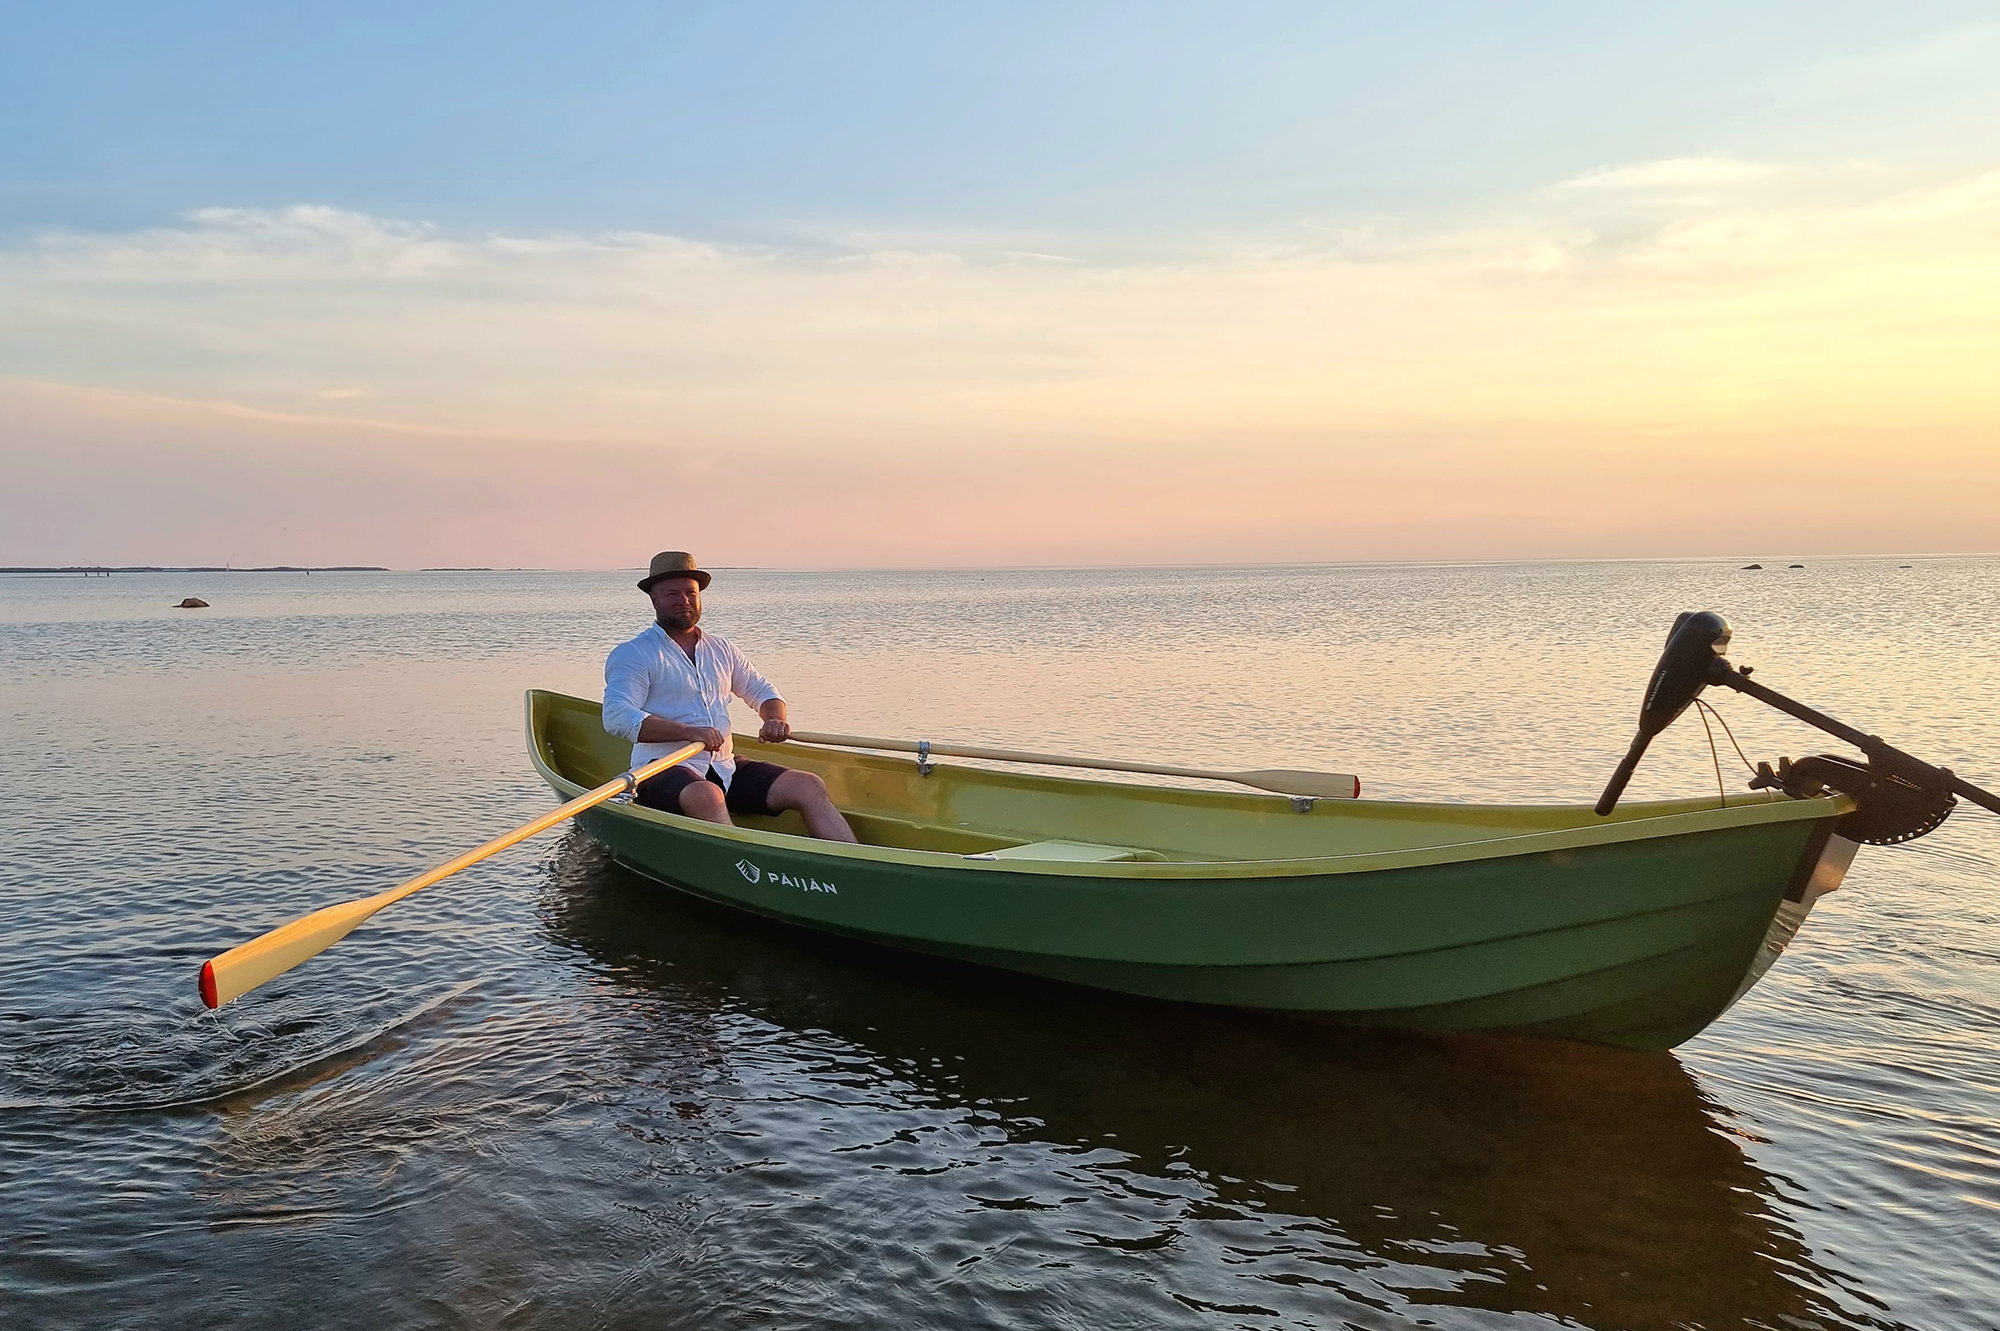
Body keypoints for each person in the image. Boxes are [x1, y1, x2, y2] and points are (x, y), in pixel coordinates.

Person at [602, 551, 858, 842]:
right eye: (672, 593)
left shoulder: (721, 648)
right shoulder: (634, 653)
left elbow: (763, 691)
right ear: (654, 600)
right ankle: (748, 872)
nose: (683, 600)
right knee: (708, 796)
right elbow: (617, 716)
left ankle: (856, 864)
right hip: (662, 770)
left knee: (808, 785)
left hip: (724, 767)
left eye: (690, 592)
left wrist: (774, 717)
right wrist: (688, 732)